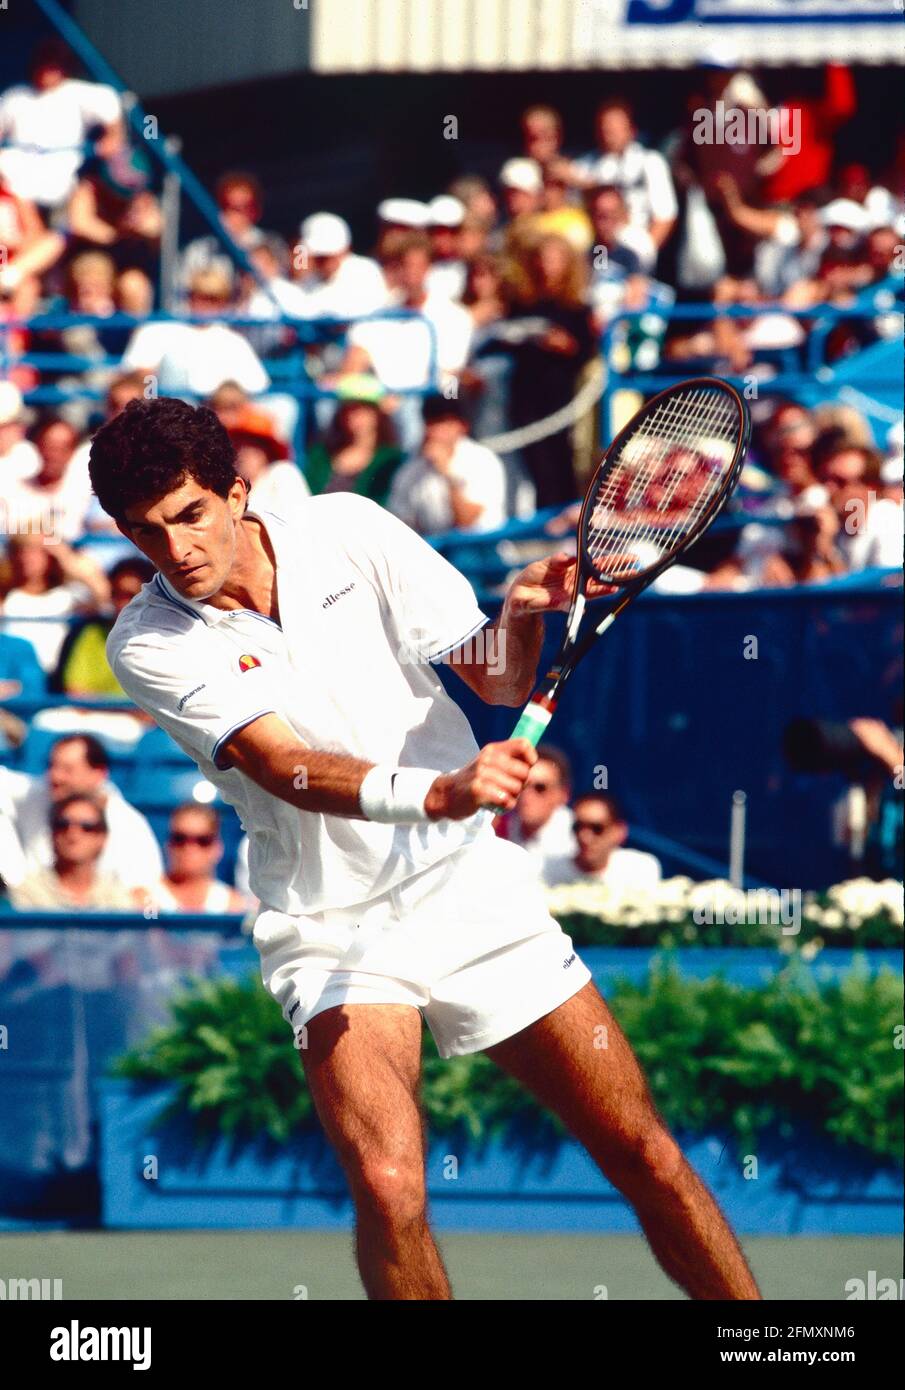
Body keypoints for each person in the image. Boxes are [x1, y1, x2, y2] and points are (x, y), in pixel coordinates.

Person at [86, 394, 762, 1301]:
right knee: (390, 1183)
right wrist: (439, 792)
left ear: (237, 492)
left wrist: (519, 616)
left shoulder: (349, 529)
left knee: (640, 1148)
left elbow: (494, 673)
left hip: (466, 888)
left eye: (189, 516)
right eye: (145, 533)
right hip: (330, 924)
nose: (176, 551)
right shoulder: (148, 640)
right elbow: (282, 766)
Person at [0, 733, 164, 893]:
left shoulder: (130, 826)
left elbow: (143, 894)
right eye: (52, 766)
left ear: (99, 773)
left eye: (67, 769)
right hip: (30, 909)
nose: (55, 776)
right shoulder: (36, 794)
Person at [502, 233, 596, 508]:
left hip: (560, 398)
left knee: (560, 461)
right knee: (534, 464)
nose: (547, 266)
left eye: (554, 259)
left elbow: (584, 352)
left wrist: (563, 344)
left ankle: (563, 519)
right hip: (525, 396)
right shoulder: (520, 304)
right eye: (542, 259)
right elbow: (504, 341)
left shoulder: (576, 308)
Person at [0, 39, 121, 215]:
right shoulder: (15, 96)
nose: (46, 73)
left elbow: (111, 103)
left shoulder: (76, 93)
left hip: (59, 180)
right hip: (16, 181)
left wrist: (113, 136)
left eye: (52, 67)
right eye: (43, 66)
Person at [570, 98, 677, 271]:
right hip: (598, 244)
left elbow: (665, 216)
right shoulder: (583, 165)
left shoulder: (650, 161)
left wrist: (645, 254)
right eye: (605, 128)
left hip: (636, 240)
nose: (609, 133)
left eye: (615, 128)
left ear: (631, 130)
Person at [387, 394, 507, 536]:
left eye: (445, 422)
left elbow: (467, 522)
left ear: (462, 426)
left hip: (481, 546)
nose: (437, 430)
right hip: (435, 548)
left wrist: (446, 474)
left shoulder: (482, 460)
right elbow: (401, 523)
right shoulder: (413, 468)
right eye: (432, 422)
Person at [9, 792, 137, 910]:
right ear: (52, 834)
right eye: (63, 825)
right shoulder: (28, 891)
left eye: (87, 827)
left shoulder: (116, 894)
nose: (73, 834)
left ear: (102, 838)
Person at [0, 536, 109, 674]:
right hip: (16, 675)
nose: (28, 558)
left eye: (36, 551)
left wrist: (64, 556)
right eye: (21, 551)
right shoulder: (6, 596)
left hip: (58, 674)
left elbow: (102, 599)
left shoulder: (68, 595)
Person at [52, 556, 156, 696]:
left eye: (130, 595)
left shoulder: (165, 638)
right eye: (116, 594)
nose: (121, 603)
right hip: (91, 715)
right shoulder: (90, 632)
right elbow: (75, 691)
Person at [542, 793, 662, 891]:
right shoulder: (547, 870)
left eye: (597, 828)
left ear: (619, 832)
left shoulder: (641, 868)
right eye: (577, 827)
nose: (584, 837)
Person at [304, 395, 403, 506]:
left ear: (376, 414)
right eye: (349, 410)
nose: (354, 417)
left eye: (362, 410)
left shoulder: (391, 459)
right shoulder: (321, 454)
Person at [149, 803, 246, 914]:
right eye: (180, 838)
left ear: (217, 848)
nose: (190, 848)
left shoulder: (234, 906)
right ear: (168, 844)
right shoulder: (145, 902)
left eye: (203, 841)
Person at [495, 745, 575, 871]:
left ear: (564, 794)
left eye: (540, 787)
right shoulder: (504, 826)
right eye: (522, 785)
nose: (527, 795)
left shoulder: (579, 841)